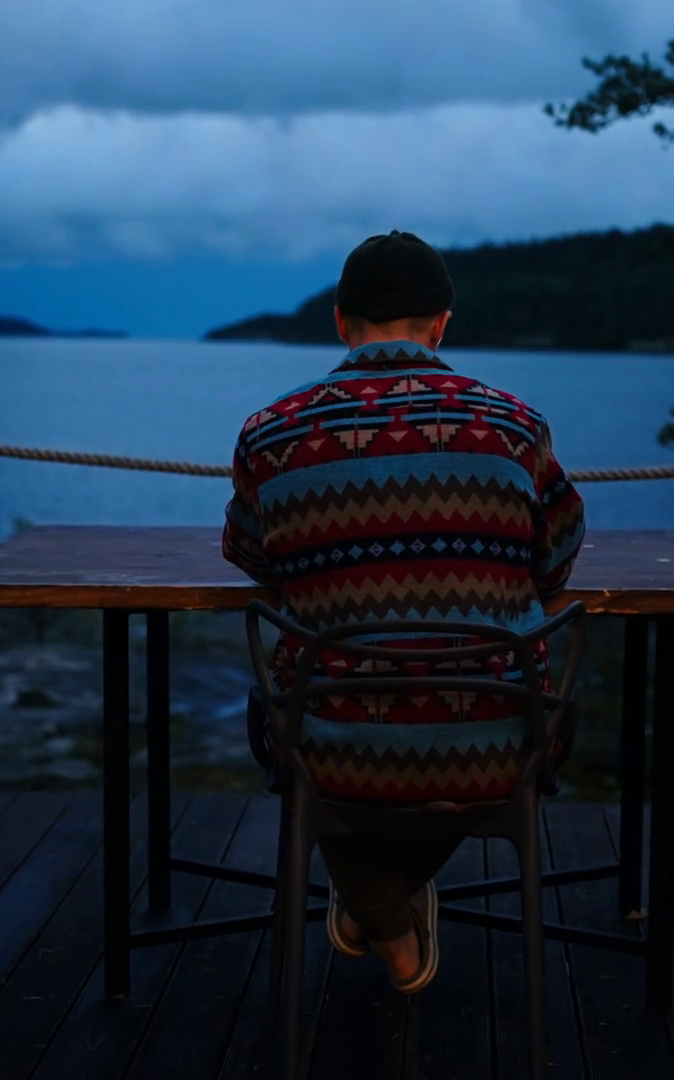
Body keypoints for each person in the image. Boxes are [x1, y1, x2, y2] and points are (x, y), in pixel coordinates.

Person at [222, 230, 587, 994]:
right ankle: (383, 912)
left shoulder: (270, 432)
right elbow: (555, 560)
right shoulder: (515, 426)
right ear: (442, 323)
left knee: (318, 713)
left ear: (340, 321)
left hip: (326, 744)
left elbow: (254, 558)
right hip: (502, 739)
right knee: (469, 711)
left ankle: (379, 910)